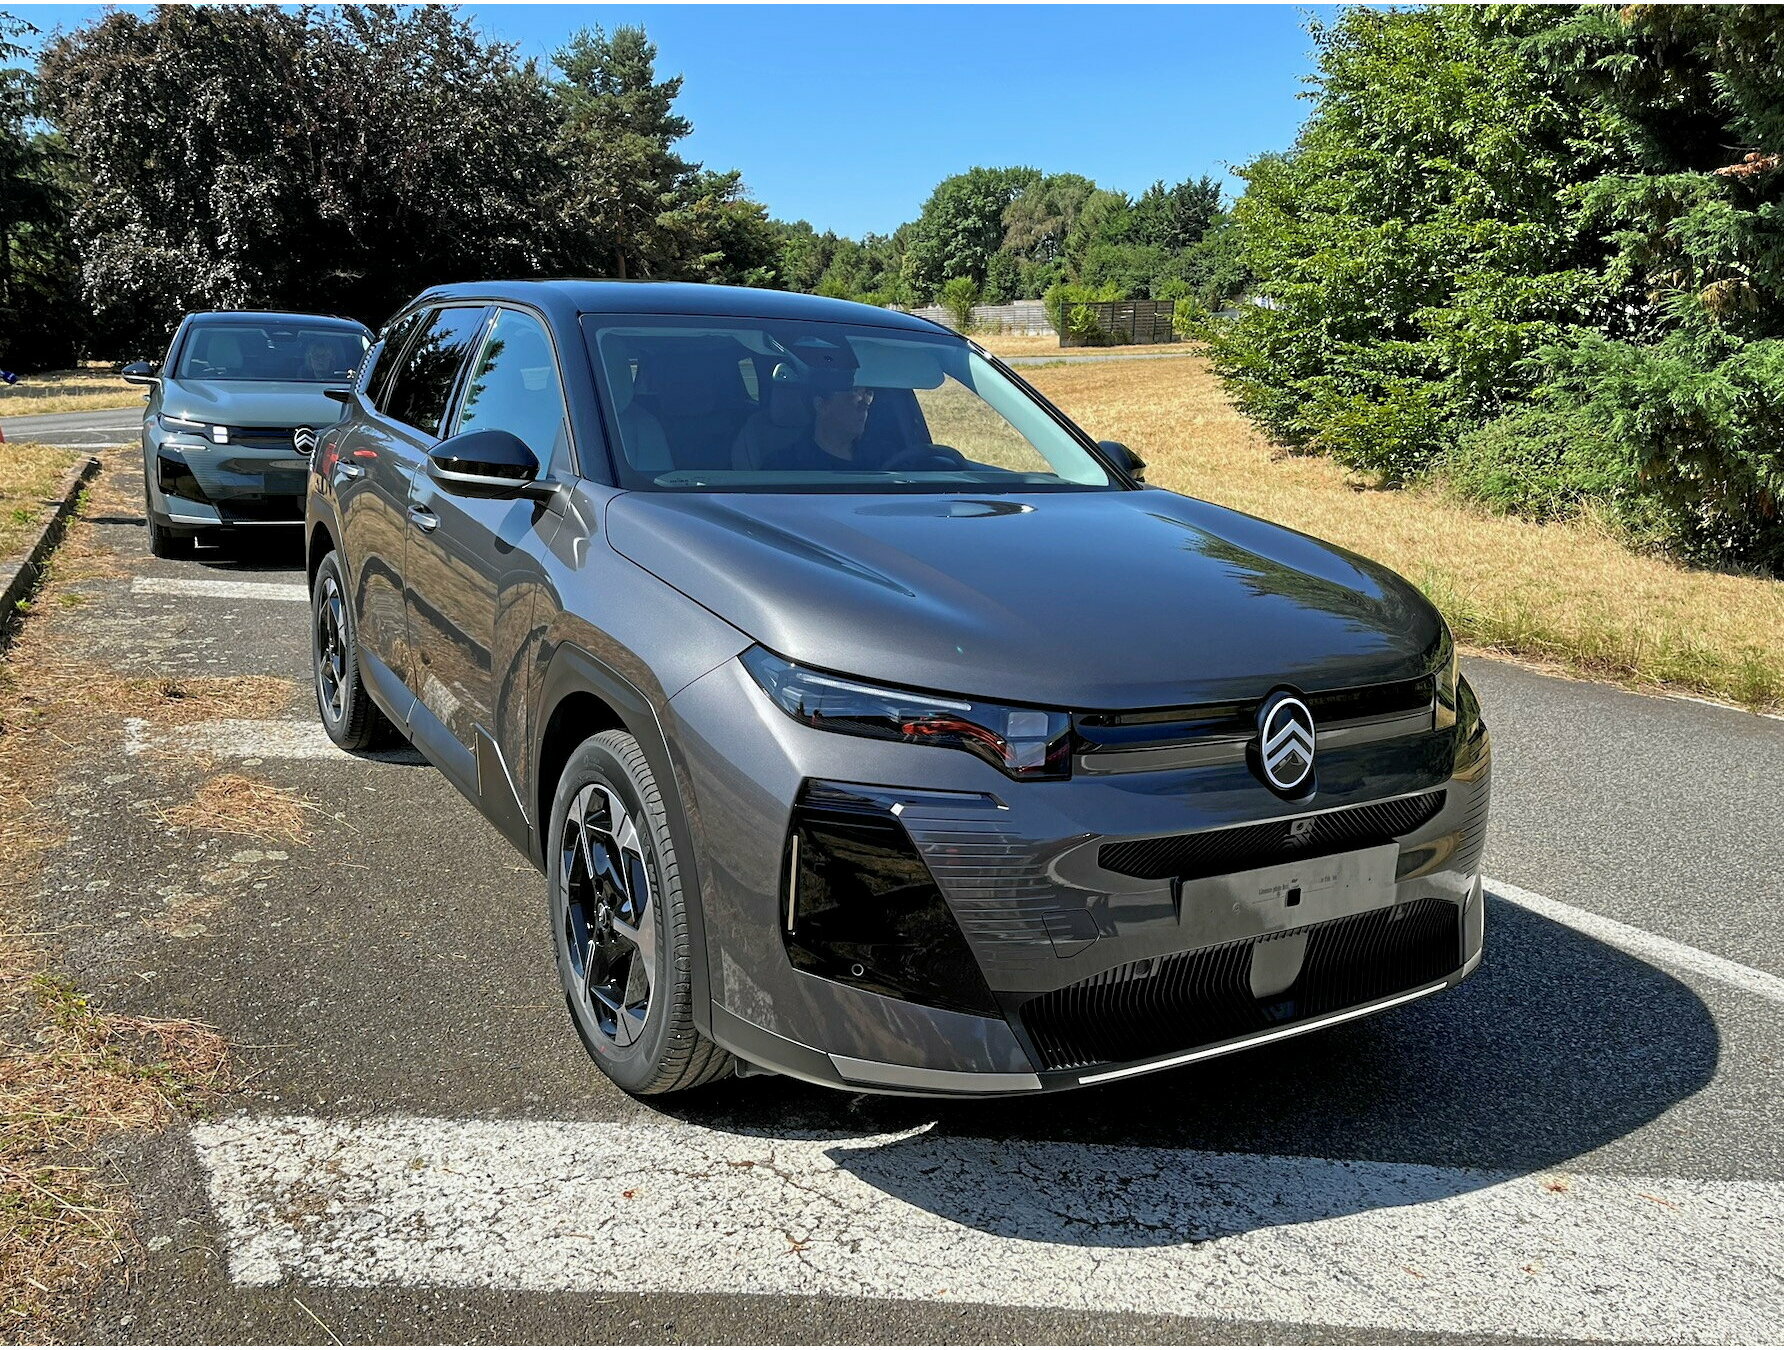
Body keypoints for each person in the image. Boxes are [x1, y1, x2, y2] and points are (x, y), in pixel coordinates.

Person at [763, 376, 878, 472]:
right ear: (820, 405)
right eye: (853, 396)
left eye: (867, 397)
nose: (865, 406)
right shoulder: (782, 467)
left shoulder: (884, 458)